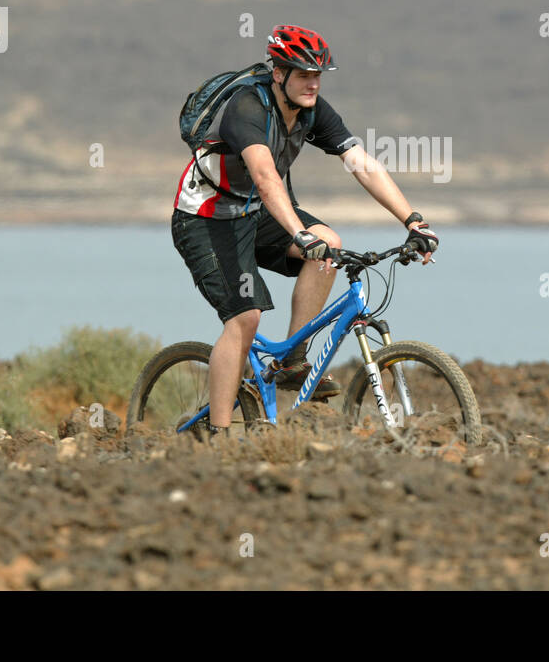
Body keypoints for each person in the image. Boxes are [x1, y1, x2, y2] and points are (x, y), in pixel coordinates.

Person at [171, 24, 439, 437]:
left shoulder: (311, 109)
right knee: (245, 318)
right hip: (206, 218)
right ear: (278, 73)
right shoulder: (247, 109)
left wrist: (412, 220)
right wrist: (298, 233)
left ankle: (292, 362)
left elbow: (361, 163)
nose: (313, 83)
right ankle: (219, 438)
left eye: (318, 75)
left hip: (256, 212)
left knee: (330, 246)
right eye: (303, 74)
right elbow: (264, 176)